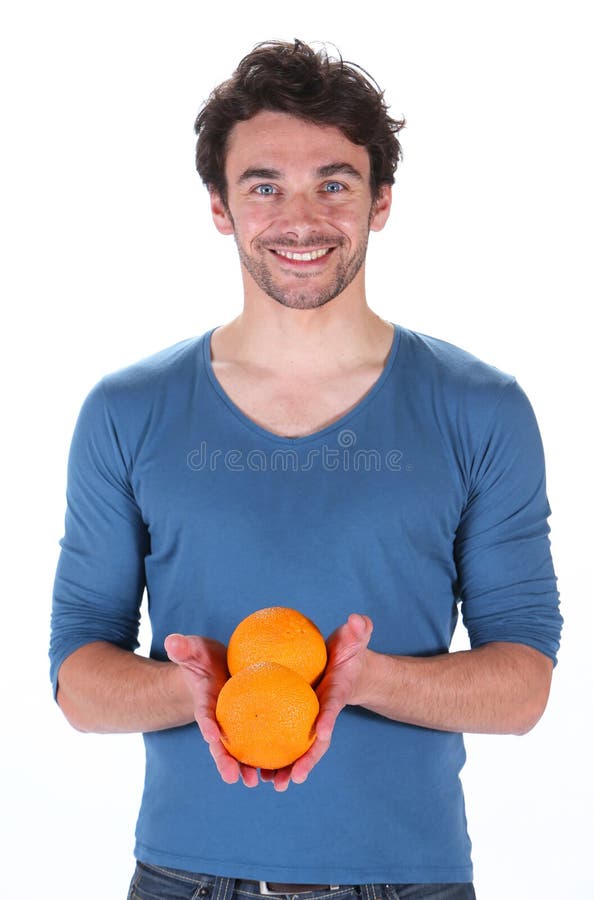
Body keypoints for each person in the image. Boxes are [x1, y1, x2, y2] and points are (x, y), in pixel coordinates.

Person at [50, 39, 562, 900]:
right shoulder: (126, 411)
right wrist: (202, 689)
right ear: (219, 206)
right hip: (184, 879)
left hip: (411, 882)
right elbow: (76, 681)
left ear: (381, 201)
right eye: (264, 186)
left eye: (334, 182)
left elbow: (523, 686)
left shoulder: (481, 408)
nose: (301, 218)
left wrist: (365, 680)